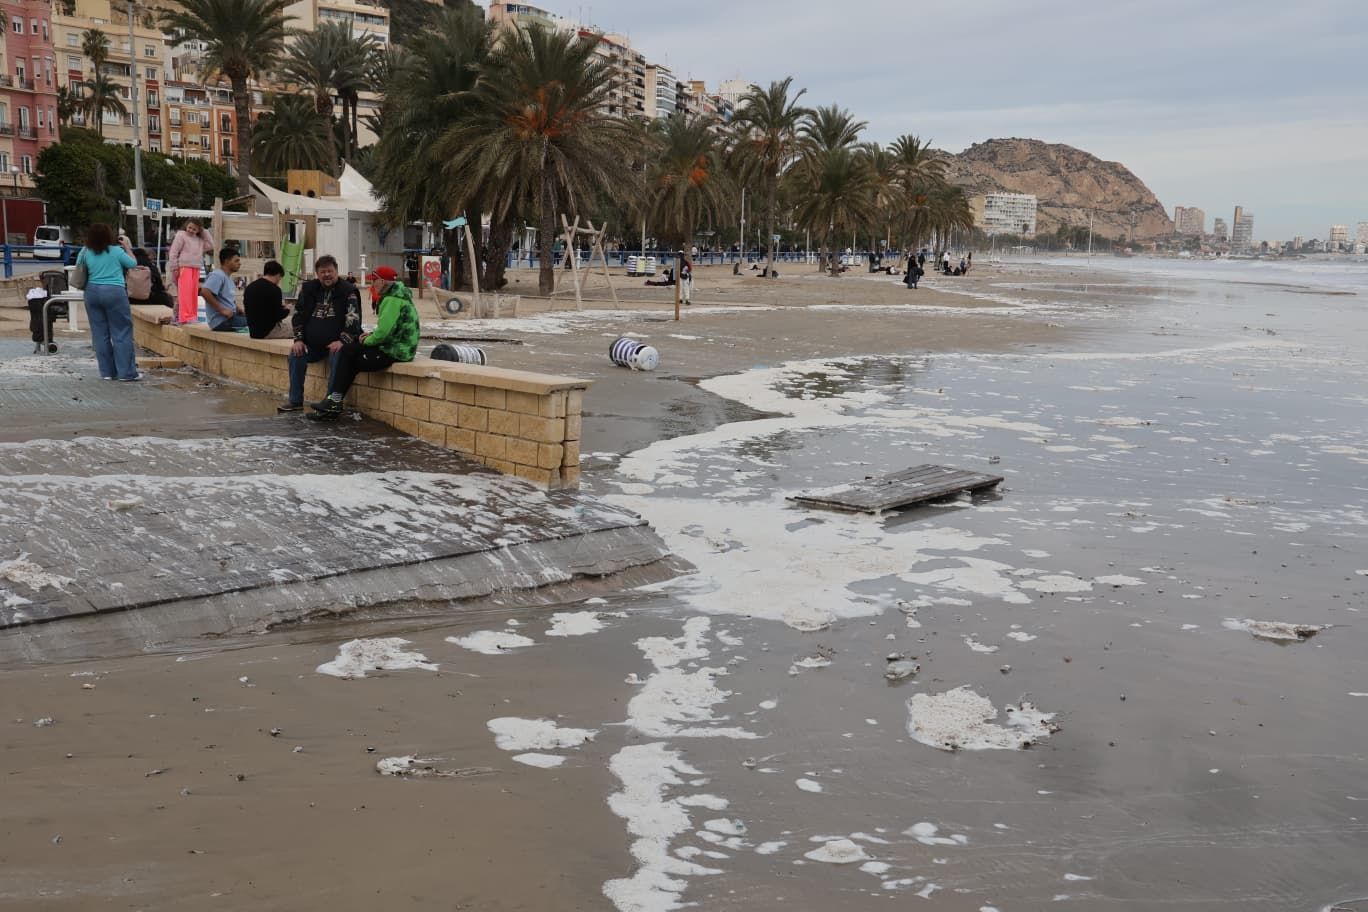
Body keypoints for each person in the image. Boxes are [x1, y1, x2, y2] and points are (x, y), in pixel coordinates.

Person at [312, 265, 419, 415]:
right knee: (350, 354)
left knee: (349, 355)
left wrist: (366, 341)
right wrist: (369, 336)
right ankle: (333, 403)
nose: (372, 284)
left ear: (382, 281)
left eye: (374, 280)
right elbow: (390, 329)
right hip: (399, 348)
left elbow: (383, 333)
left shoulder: (391, 300)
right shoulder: (399, 296)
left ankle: (333, 402)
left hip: (395, 351)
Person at [280, 255, 361, 412]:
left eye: (330, 271)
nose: (326, 275)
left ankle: (330, 403)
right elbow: (298, 315)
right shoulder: (309, 289)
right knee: (295, 355)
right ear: (317, 274)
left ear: (336, 271)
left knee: (338, 356)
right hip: (312, 345)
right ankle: (295, 401)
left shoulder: (348, 291)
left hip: (338, 343)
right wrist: (298, 340)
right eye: (322, 272)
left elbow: (353, 320)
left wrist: (342, 340)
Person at [77, 223, 140, 381]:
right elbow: (133, 264)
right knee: (121, 332)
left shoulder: (85, 251)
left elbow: (79, 267)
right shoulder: (116, 251)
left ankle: (107, 372)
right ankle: (126, 373)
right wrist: (127, 247)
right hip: (114, 292)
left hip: (91, 292)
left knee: (99, 334)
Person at [166, 219, 214, 324]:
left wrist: (204, 231)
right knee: (185, 294)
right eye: (190, 227)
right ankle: (185, 317)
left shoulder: (199, 240)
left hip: (195, 268)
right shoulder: (181, 235)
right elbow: (173, 252)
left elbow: (210, 245)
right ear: (186, 226)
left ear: (198, 230)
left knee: (193, 294)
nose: (191, 230)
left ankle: (192, 316)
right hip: (184, 267)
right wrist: (174, 268)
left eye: (194, 229)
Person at [199, 248, 247, 332]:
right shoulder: (217, 275)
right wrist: (222, 310)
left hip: (230, 318)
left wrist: (237, 308)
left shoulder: (227, 278)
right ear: (227, 261)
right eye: (236, 261)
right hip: (222, 321)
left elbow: (225, 299)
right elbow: (205, 292)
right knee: (257, 323)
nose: (240, 263)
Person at [245, 260, 291, 339]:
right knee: (298, 329)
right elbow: (278, 316)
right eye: (280, 278)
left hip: (253, 332)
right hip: (268, 332)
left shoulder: (250, 287)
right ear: (278, 275)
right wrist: (287, 309)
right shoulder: (275, 290)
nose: (279, 281)